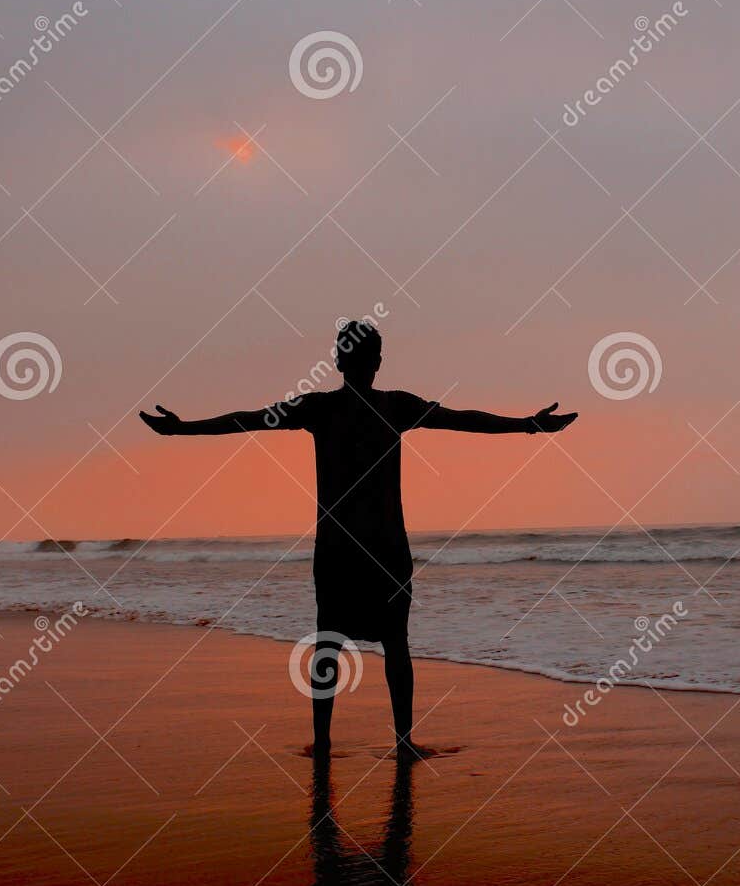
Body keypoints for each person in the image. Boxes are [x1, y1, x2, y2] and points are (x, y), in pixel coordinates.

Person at [140, 319, 577, 757]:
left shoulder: (318, 408)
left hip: (336, 548)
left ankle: (323, 742)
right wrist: (528, 426)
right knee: (395, 645)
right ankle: (403, 742)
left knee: (327, 641)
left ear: (338, 361)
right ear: (377, 363)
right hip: (386, 547)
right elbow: (462, 419)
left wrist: (183, 428)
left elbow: (247, 420)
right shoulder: (396, 406)